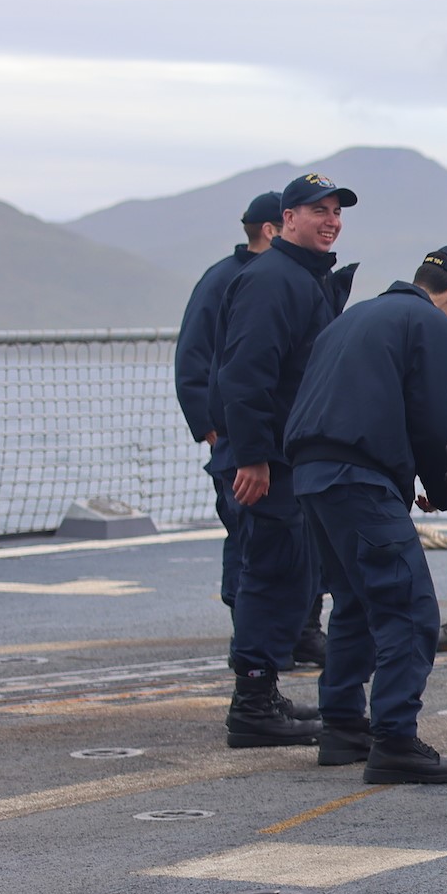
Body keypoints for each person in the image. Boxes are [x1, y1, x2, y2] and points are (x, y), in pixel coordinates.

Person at [284, 247, 447, 783]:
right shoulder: (431, 325)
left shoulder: (356, 316)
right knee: (410, 610)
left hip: (310, 474)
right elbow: (438, 418)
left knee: (353, 602)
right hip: (359, 477)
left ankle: (343, 726)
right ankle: (394, 739)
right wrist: (446, 489)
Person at [212, 172, 364, 747]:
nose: (331, 221)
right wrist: (252, 457)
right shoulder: (273, 280)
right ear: (287, 218)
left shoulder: (302, 279)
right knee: (271, 577)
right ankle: (251, 705)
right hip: (268, 462)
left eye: (336, 211)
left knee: (293, 577)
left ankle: (263, 692)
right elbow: (245, 374)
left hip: (289, 458)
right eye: (317, 210)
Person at [176, 190, 281, 614]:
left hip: (281, 436)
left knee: (289, 537)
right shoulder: (223, 280)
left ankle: (294, 634)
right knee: (246, 533)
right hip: (236, 438)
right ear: (274, 229)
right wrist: (209, 426)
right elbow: (193, 356)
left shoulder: (292, 277)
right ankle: (251, 637)